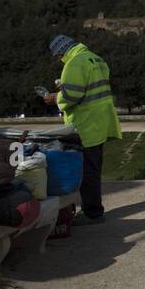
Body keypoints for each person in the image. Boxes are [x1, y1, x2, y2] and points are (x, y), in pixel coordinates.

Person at [43, 35, 122, 225]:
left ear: (61, 52)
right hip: (101, 120)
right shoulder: (96, 59)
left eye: (58, 56)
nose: (58, 60)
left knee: (87, 171)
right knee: (93, 168)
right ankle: (93, 210)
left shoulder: (73, 64)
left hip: (85, 123)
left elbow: (72, 97)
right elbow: (91, 87)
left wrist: (55, 98)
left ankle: (93, 213)